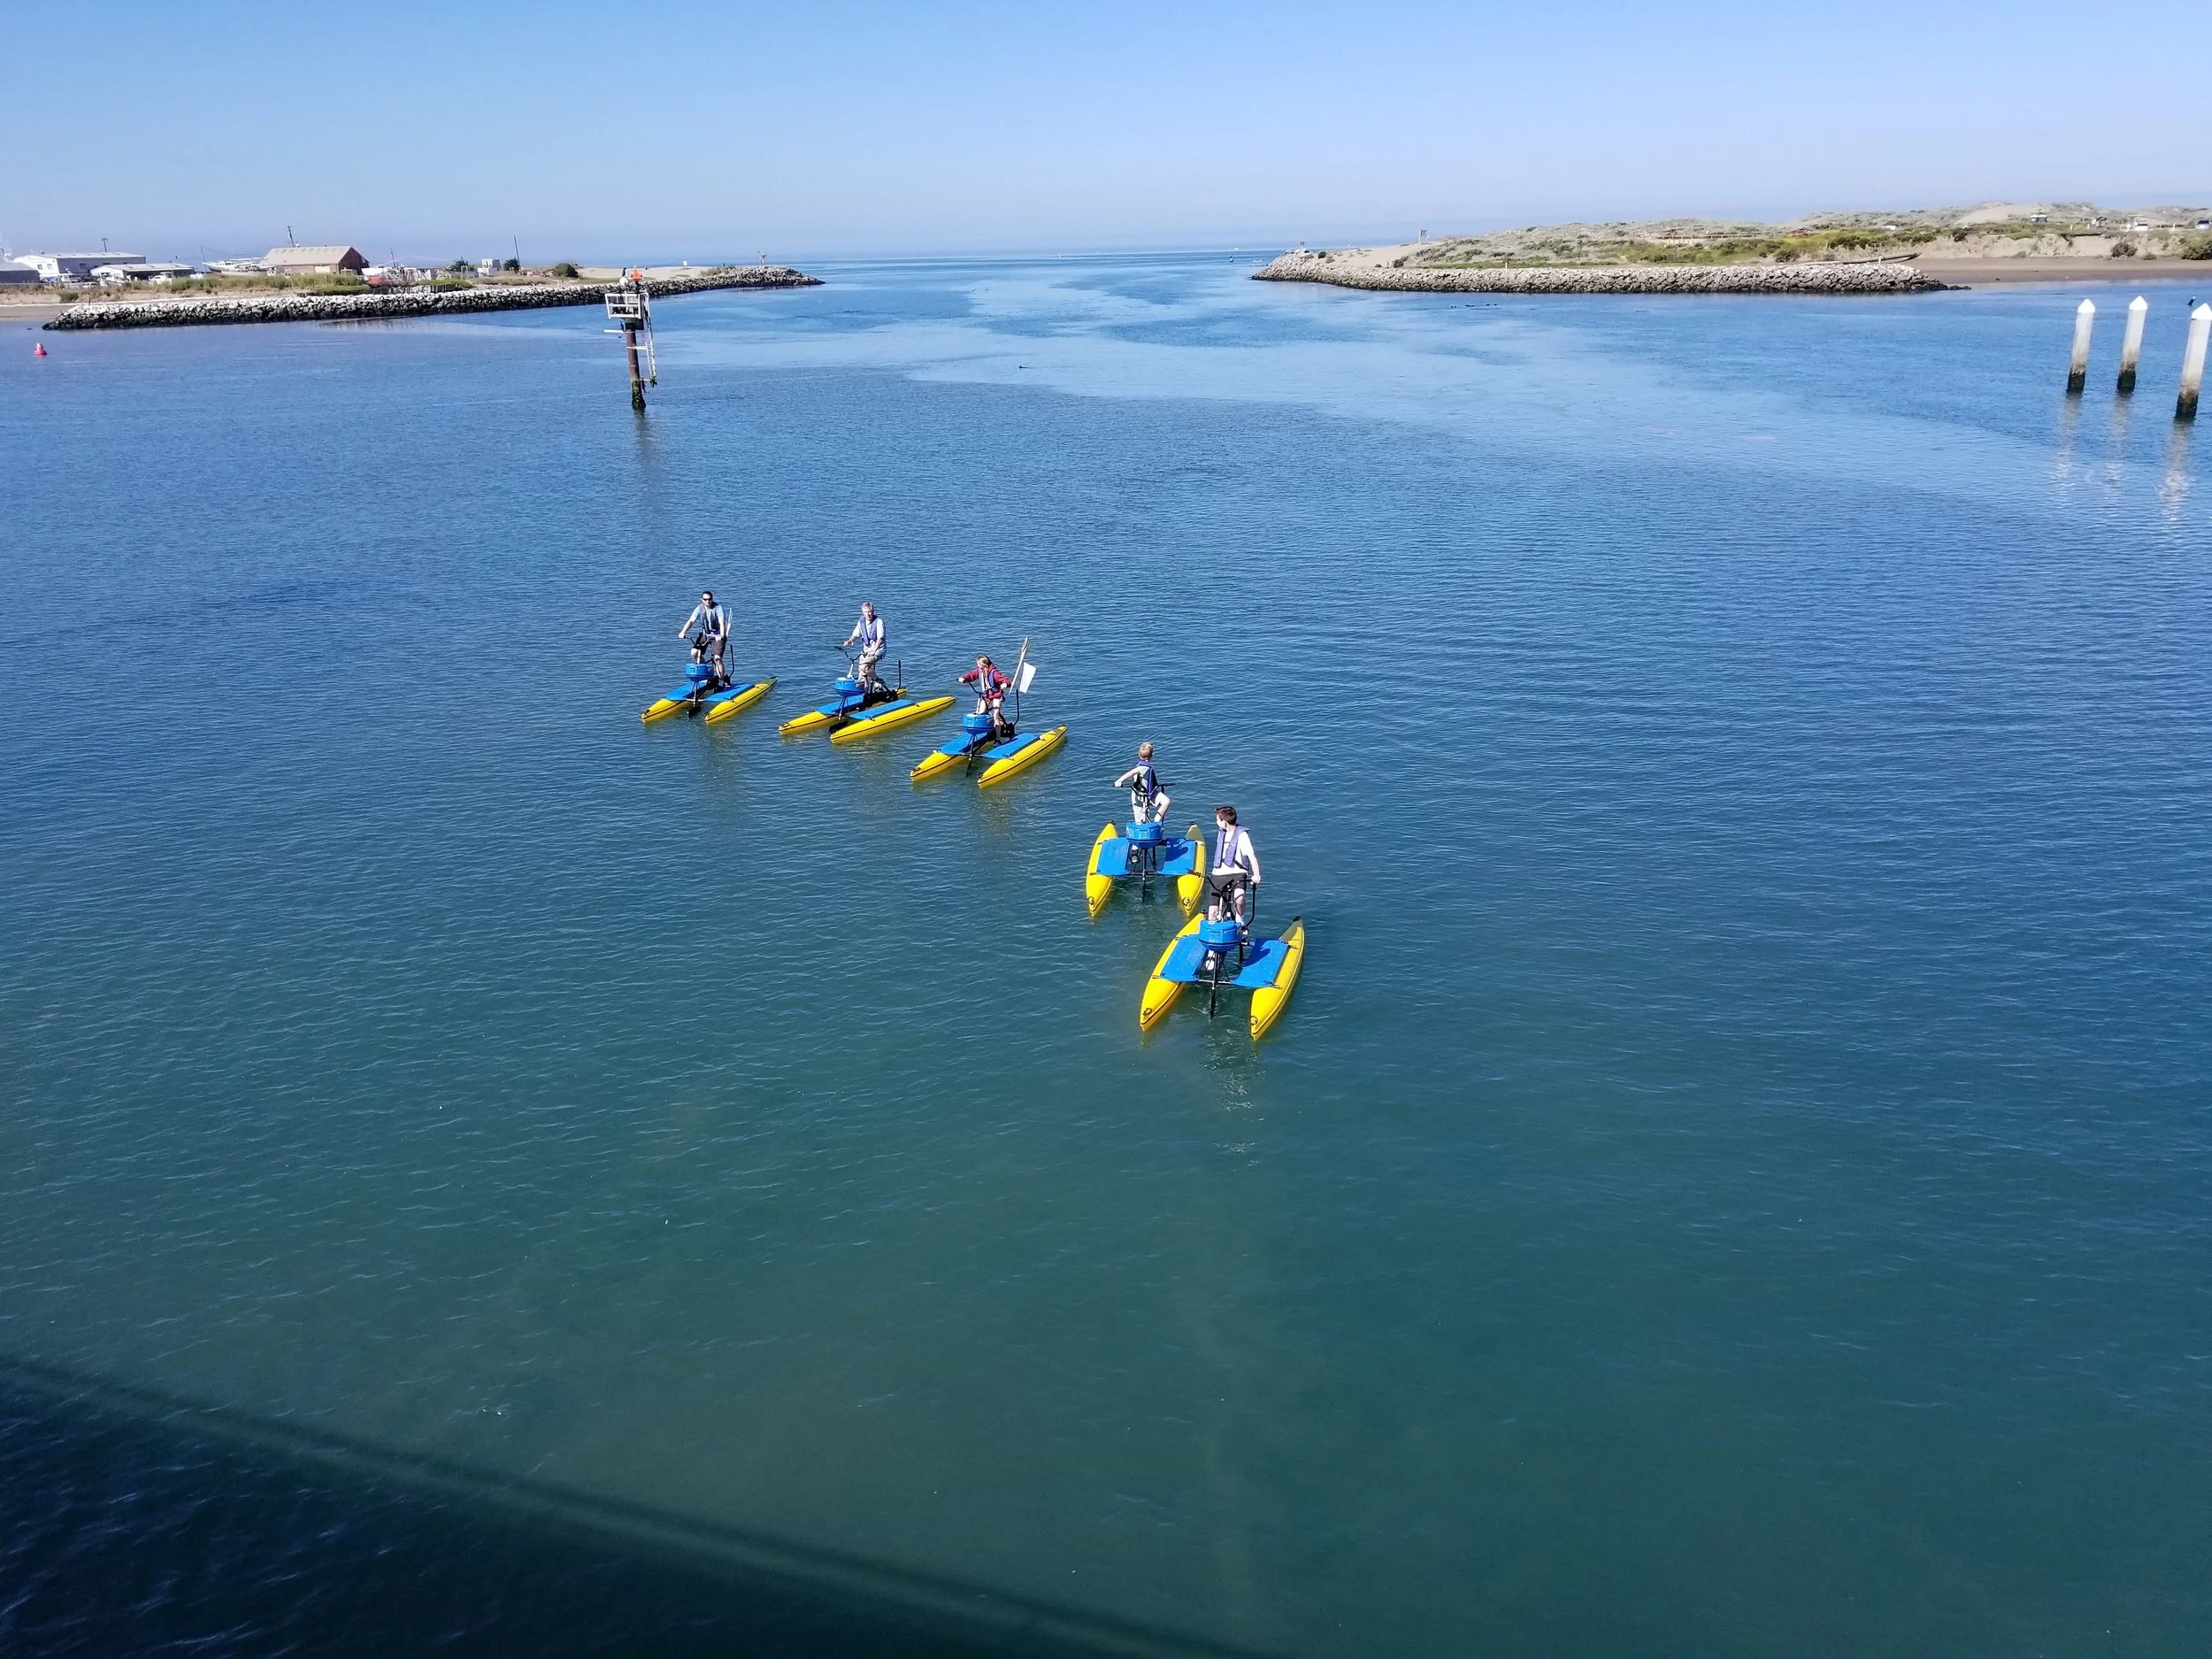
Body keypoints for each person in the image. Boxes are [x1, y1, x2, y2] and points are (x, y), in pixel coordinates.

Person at [1206, 804, 1262, 928]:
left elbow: (1252, 857)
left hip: (1237, 872)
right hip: (1218, 874)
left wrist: (1256, 874)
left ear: (1224, 822)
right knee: (1212, 913)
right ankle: (1212, 939)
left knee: (1239, 899)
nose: (1216, 822)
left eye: (1217, 820)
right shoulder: (1221, 833)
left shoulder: (1242, 836)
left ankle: (1239, 918)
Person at [677, 590, 730, 684]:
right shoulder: (699, 608)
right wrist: (683, 632)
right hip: (706, 635)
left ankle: (722, 679)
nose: (707, 602)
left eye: (709, 599)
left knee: (717, 658)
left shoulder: (718, 608)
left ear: (712, 599)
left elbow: (722, 623)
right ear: (702, 600)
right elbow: (691, 621)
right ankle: (706, 672)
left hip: (718, 635)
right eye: (705, 599)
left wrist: (722, 635)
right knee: (694, 652)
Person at [1113, 743, 1170, 826]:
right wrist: (1119, 781)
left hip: (1148, 792)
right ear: (1152, 755)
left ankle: (1155, 821)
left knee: (1165, 801)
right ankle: (1151, 826)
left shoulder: (1141, 764)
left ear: (1139, 754)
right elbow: (1132, 772)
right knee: (1141, 819)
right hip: (1140, 795)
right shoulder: (1143, 767)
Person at [959, 654, 1012, 739]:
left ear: (983, 665)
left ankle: (998, 738)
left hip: (996, 695)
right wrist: (964, 678)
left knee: (995, 715)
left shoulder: (994, 673)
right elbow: (971, 675)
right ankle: (989, 728)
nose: (977, 665)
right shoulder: (979, 671)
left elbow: (1005, 680)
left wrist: (1005, 684)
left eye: (978, 664)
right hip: (986, 695)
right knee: (981, 713)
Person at [842, 603, 887, 695]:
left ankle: (879, 681)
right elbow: (855, 634)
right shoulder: (861, 622)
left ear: (873, 611)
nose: (868, 614)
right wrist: (851, 640)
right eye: (866, 612)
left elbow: (881, 638)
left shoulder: (879, 622)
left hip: (878, 650)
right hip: (866, 651)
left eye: (870, 612)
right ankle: (865, 696)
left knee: (863, 666)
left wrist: (875, 650)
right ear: (863, 612)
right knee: (862, 676)